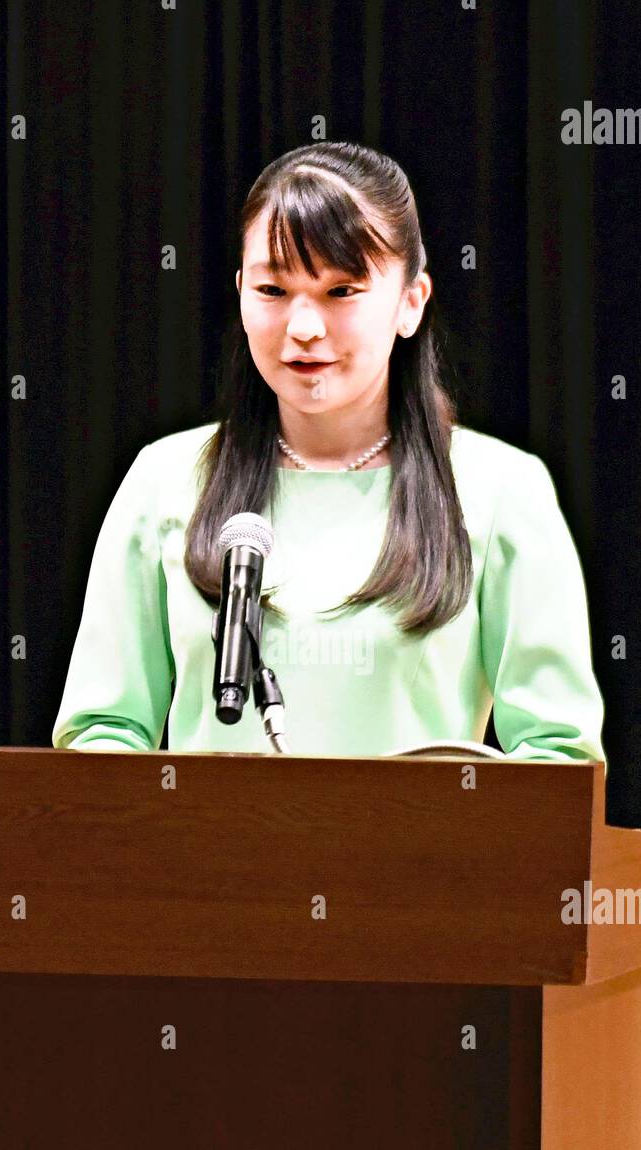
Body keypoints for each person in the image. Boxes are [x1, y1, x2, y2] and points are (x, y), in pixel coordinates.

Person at [52, 141, 607, 769]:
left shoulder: (501, 489)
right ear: (239, 292)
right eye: (273, 289)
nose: (305, 326)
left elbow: (560, 761)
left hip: (420, 868)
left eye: (342, 290)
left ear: (411, 302)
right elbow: (102, 737)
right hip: (206, 866)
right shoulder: (163, 480)